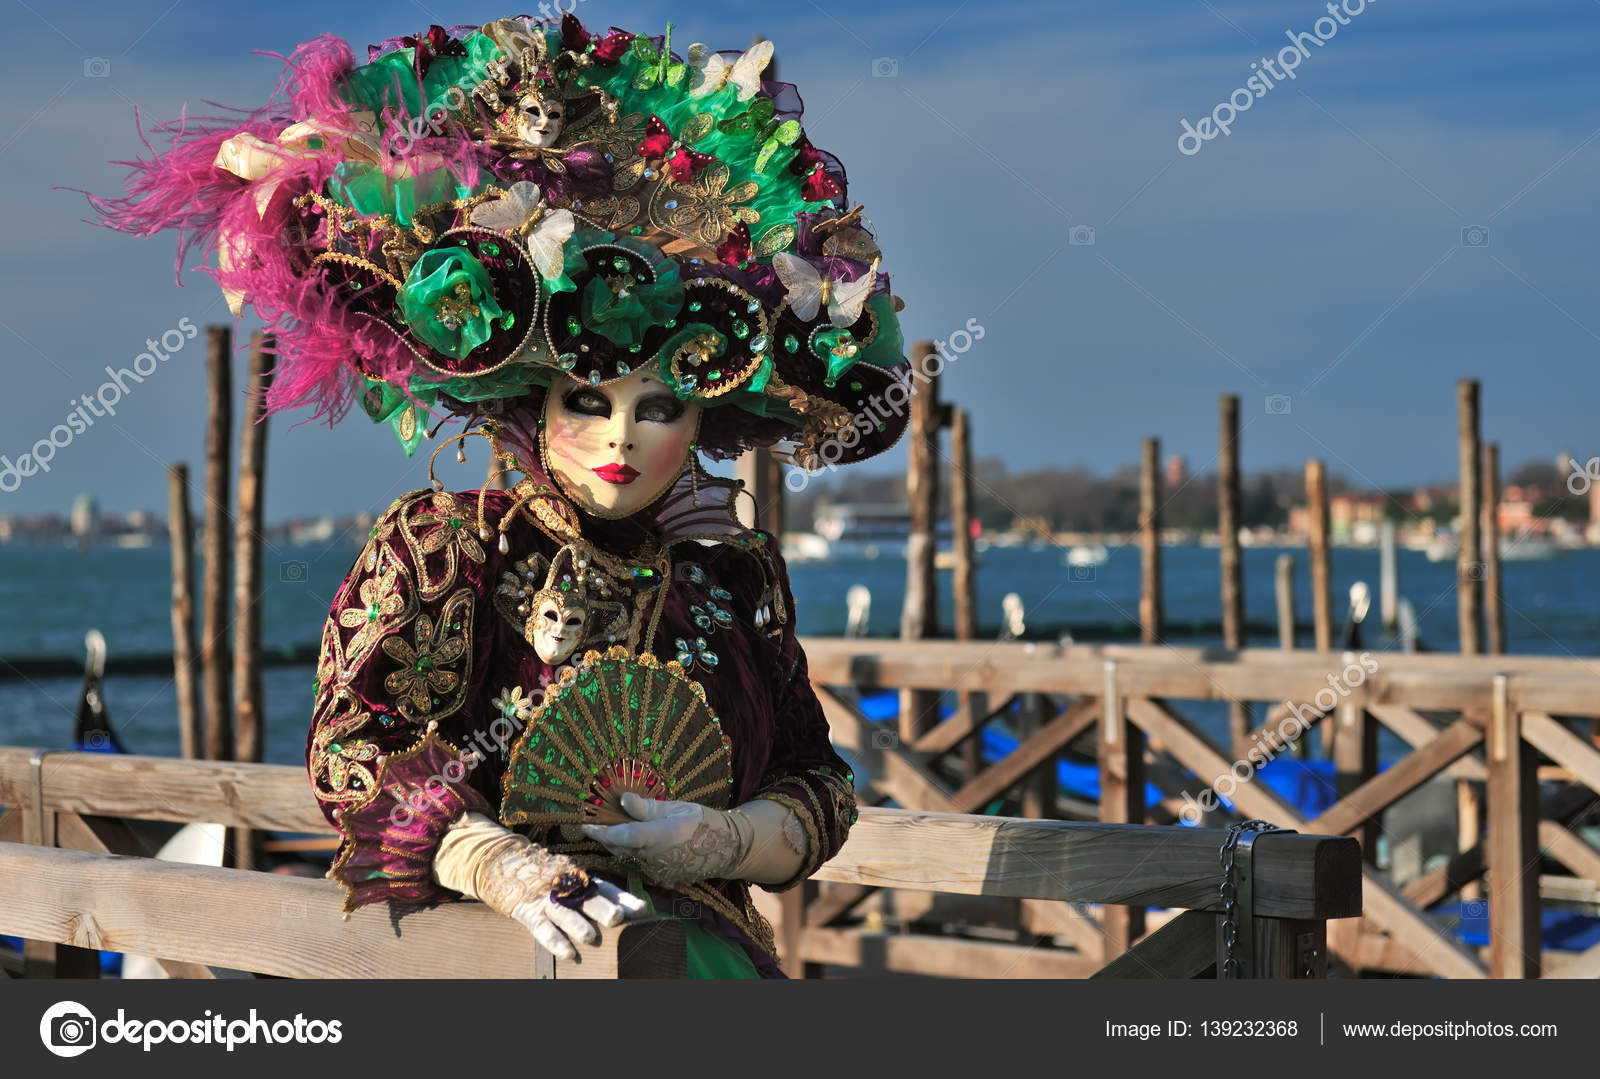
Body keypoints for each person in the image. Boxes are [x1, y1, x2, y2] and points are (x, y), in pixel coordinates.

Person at [89, 12, 912, 978]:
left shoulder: (731, 576)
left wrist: (727, 841)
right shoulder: (450, 551)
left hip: (705, 967)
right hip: (489, 963)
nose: (620, 437)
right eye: (590, 401)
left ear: (701, 420)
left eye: (659, 405)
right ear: (530, 399)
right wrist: (494, 860)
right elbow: (357, 751)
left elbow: (815, 777)